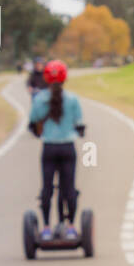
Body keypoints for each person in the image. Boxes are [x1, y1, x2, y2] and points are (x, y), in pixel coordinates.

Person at [28, 59, 85, 242]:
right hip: (68, 148)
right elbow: (80, 126)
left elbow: (33, 125)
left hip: (49, 148)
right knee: (68, 188)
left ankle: (45, 227)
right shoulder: (73, 99)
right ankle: (69, 226)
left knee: (47, 188)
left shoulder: (39, 99)